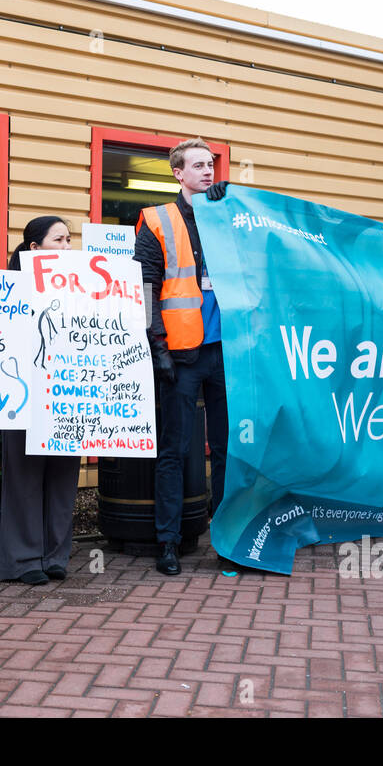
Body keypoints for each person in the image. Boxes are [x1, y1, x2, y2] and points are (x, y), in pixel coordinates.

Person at [134, 137, 228, 576]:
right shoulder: (157, 220)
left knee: (228, 448)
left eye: (211, 164)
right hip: (181, 353)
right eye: (198, 165)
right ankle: (168, 542)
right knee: (173, 449)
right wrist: (158, 349)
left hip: (226, 351)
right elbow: (146, 288)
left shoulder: (229, 216)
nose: (208, 172)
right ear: (178, 173)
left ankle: (228, 538)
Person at [0, 216, 80, 584]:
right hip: (22, 393)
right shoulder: (8, 289)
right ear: (34, 248)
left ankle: (55, 556)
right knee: (24, 475)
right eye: (59, 240)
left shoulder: (82, 287)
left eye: (69, 240)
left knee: (64, 474)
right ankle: (23, 560)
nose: (67, 247)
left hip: (69, 393)